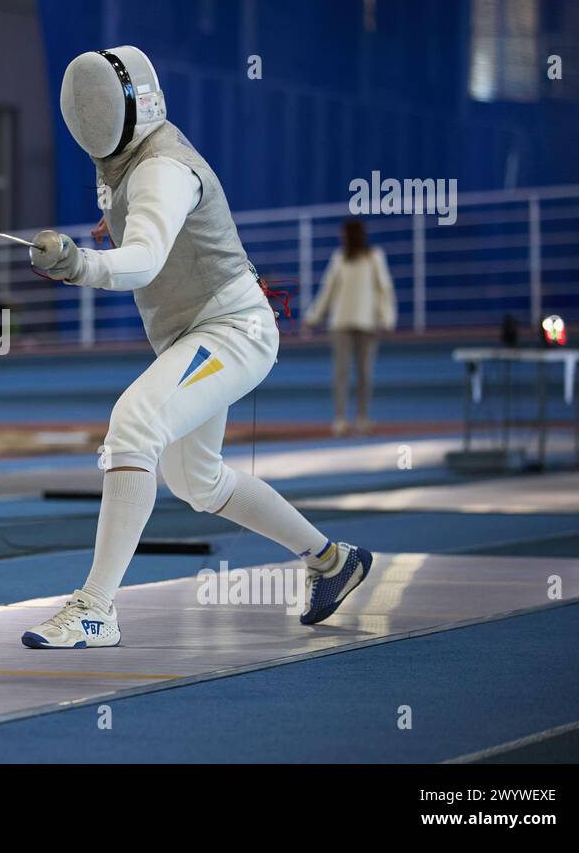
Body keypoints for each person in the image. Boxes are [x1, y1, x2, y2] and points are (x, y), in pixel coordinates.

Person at [23, 46, 372, 649]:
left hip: (232, 331)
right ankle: (331, 560)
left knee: (133, 426)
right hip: (194, 335)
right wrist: (110, 232)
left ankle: (96, 608)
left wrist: (81, 265)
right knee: (199, 482)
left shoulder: (162, 168)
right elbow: (143, 229)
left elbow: (145, 260)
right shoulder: (129, 164)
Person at [303, 219, 396, 436]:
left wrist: (387, 318)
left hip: (367, 323)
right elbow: (328, 290)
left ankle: (362, 418)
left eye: (344, 234)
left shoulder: (374, 257)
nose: (341, 237)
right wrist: (313, 316)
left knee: (365, 374)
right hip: (341, 324)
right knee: (341, 374)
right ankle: (340, 419)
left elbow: (385, 289)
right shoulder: (339, 259)